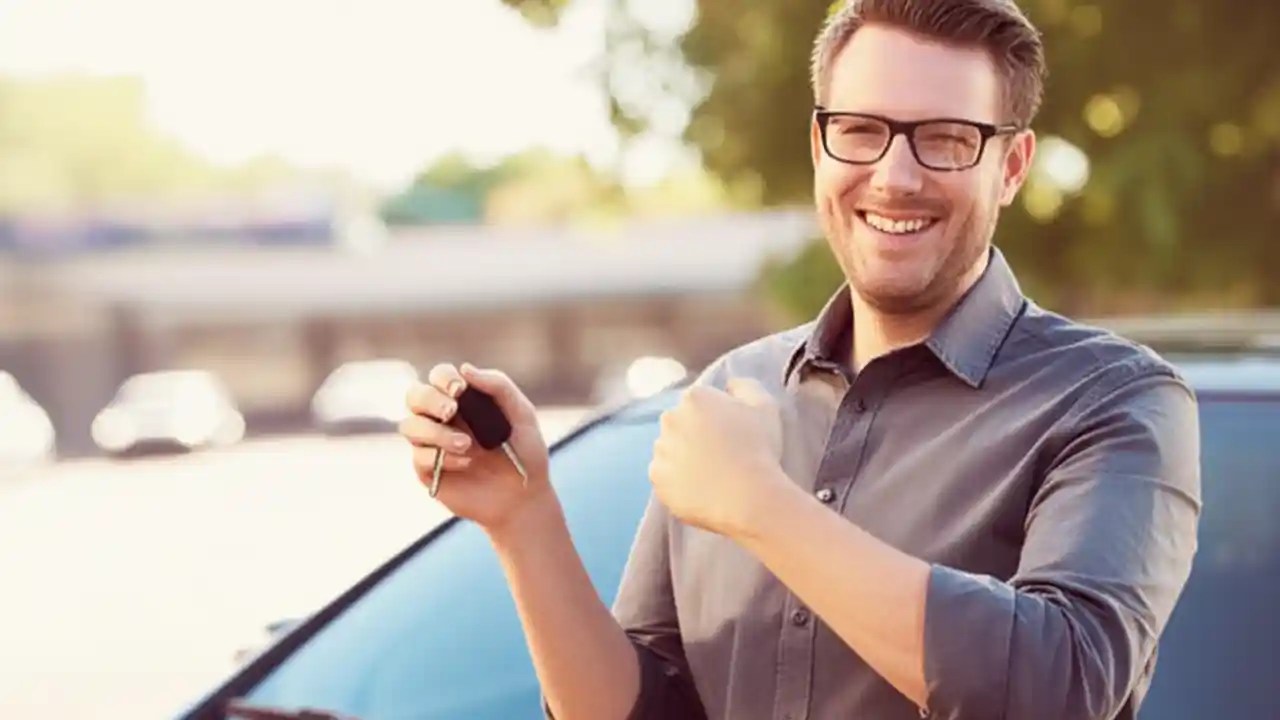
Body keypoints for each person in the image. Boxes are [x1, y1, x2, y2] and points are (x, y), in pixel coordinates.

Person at [397, 1, 1202, 718]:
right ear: (820, 146)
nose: (895, 176)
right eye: (860, 131)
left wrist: (762, 506)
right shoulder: (732, 393)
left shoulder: (1117, 402)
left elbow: (1062, 691)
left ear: (1013, 168)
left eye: (947, 141)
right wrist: (524, 519)